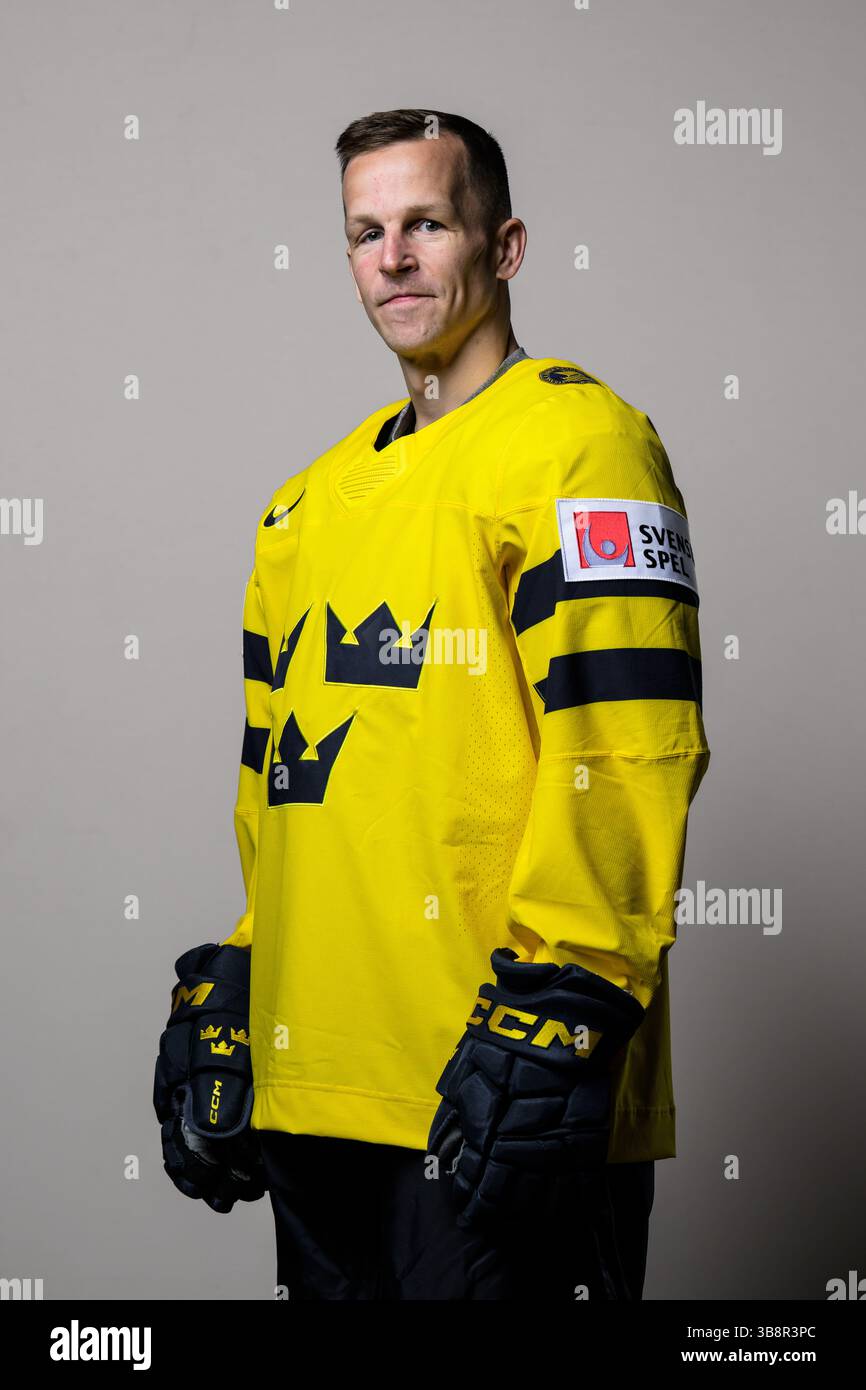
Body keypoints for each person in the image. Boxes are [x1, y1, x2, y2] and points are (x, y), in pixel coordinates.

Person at [153, 107, 710, 1301]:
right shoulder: (301, 505)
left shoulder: (580, 445)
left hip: (496, 1091)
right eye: (366, 233)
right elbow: (280, 777)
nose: (393, 258)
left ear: (502, 246)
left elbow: (626, 742)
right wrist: (246, 969)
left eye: (426, 225)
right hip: (319, 1082)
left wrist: (571, 995)